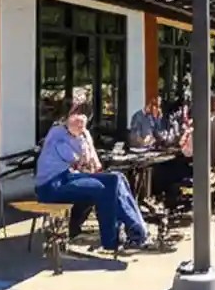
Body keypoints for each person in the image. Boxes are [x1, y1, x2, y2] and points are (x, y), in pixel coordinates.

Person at [35, 107, 149, 252]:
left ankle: (137, 229)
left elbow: (95, 164)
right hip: (51, 185)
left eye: (83, 116)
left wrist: (87, 142)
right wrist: (81, 141)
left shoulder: (81, 135)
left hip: (69, 177)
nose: (79, 120)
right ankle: (111, 241)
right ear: (67, 117)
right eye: (75, 115)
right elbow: (73, 158)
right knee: (101, 189)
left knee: (116, 178)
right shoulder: (57, 132)